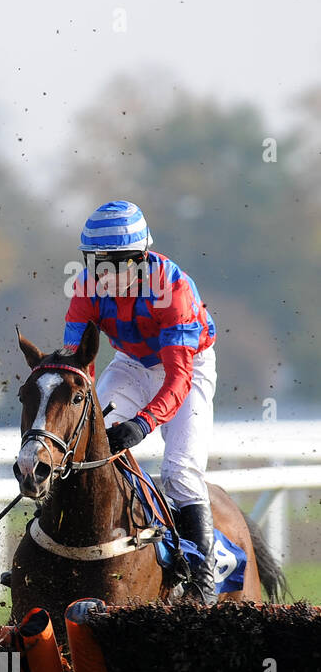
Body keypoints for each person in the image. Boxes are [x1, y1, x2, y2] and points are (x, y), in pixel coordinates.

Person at [63, 200, 219, 603]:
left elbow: (178, 377)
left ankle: (202, 579)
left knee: (180, 470)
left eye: (115, 264)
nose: (104, 275)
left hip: (188, 365)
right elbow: (78, 366)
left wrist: (142, 424)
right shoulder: (84, 287)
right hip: (131, 362)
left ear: (141, 258)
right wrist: (86, 419)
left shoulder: (175, 289)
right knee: (88, 445)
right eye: (99, 263)